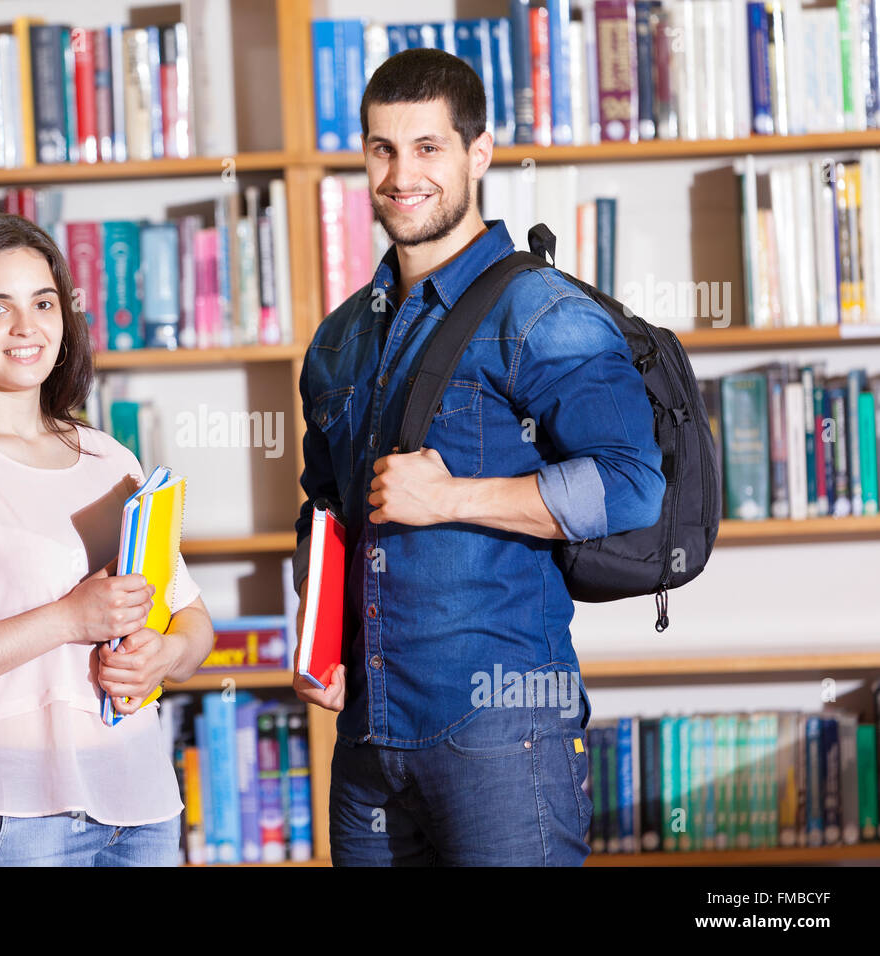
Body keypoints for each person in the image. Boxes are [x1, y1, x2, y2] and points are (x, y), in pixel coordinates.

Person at [290, 49, 666, 866]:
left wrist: (452, 498)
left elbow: (633, 486)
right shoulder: (339, 339)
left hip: (504, 739)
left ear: (478, 154)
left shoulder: (543, 311)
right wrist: (316, 635)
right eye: (383, 149)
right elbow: (322, 514)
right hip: (366, 740)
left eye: (428, 147)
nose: (402, 173)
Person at [0, 212, 214, 866]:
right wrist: (66, 619)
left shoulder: (111, 460)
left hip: (141, 809)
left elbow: (193, 620)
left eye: (43, 303)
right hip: (12, 818)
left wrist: (165, 654)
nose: (26, 327)